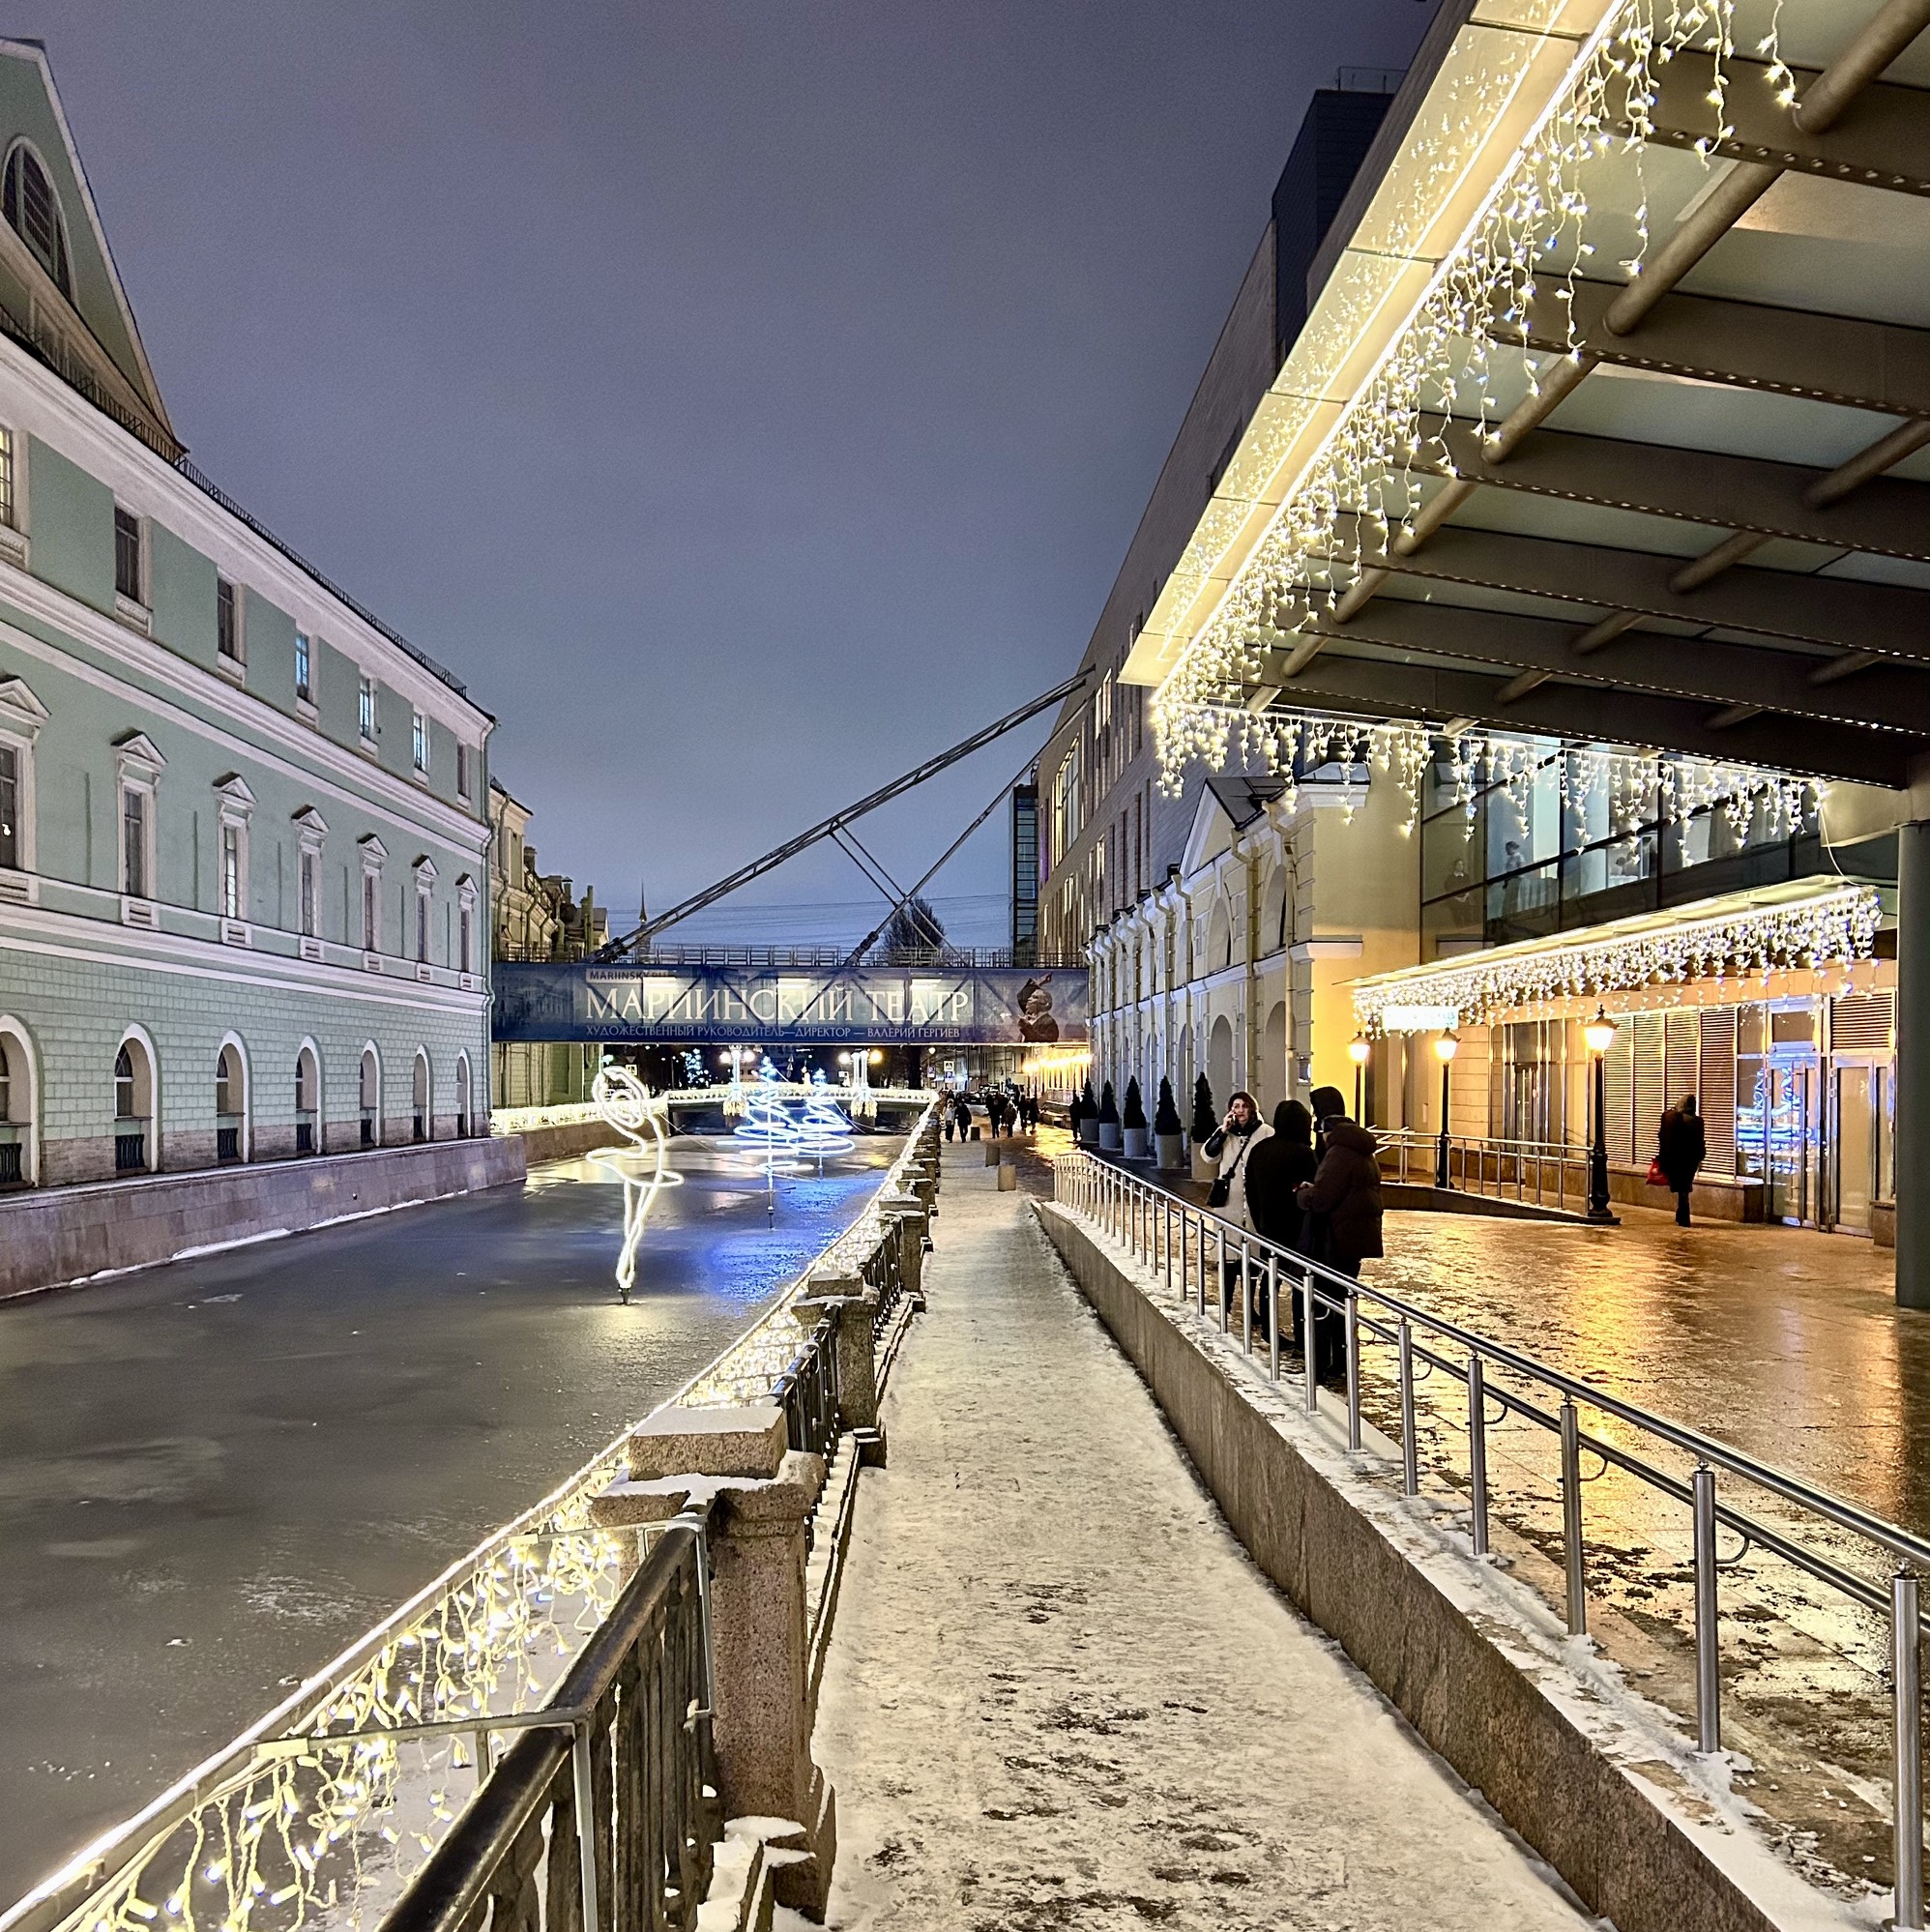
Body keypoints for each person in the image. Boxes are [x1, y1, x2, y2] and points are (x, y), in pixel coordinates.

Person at [1297, 1086, 1384, 1385]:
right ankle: (1342, 1361)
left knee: (1324, 1300)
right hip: (1354, 1240)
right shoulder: (1362, 1150)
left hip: (1335, 1239)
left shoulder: (1338, 1154)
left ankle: (1320, 1366)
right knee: (1343, 1300)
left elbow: (1323, 1199)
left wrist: (1304, 1194)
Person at [1244, 1099, 1318, 1346]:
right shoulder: (1302, 1153)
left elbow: (1251, 1189)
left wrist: (1260, 1220)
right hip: (1296, 1229)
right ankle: (1302, 1331)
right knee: (1300, 1282)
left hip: (1268, 1226)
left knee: (1269, 1278)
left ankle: (1267, 1326)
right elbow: (1311, 1191)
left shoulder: (1261, 1150)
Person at [1202, 1090, 1272, 1320]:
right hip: (1229, 1204)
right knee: (1229, 1256)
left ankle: (1249, 1307)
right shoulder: (1226, 1133)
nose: (1239, 1110)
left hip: (1254, 1203)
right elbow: (1208, 1155)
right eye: (1235, 1106)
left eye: (1243, 1106)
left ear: (1252, 1108)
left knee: (1252, 1260)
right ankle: (1227, 1304)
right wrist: (1223, 1131)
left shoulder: (1264, 1132)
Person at [1657, 1094, 1706, 1227]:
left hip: (1676, 1158)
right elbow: (1700, 1141)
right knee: (1685, 1186)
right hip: (1691, 1160)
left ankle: (1682, 1214)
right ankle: (1682, 1214)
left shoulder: (1673, 1119)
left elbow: (1662, 1136)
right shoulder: (1698, 1121)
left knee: (1681, 1188)